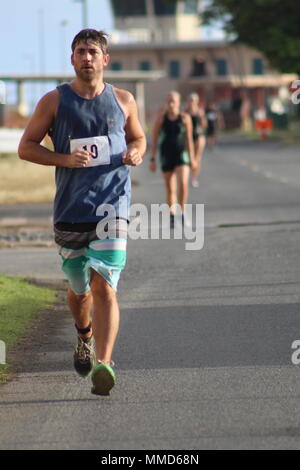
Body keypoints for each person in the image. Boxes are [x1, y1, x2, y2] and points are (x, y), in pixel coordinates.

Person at [18, 29, 146, 396]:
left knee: (104, 285)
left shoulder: (123, 100)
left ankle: (103, 364)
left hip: (112, 207)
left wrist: (137, 151)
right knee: (79, 290)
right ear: (71, 59)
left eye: (93, 51)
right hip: (71, 209)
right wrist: (63, 159)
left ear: (105, 60)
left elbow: (138, 137)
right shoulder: (54, 101)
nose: (87, 57)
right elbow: (26, 147)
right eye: (80, 52)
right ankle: (84, 335)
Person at [149, 91, 195, 227]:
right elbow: (155, 139)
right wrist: (152, 158)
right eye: (169, 101)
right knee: (170, 188)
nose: (171, 103)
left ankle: (183, 212)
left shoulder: (185, 118)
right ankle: (172, 215)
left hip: (181, 154)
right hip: (166, 155)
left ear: (179, 103)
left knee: (183, 184)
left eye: (173, 101)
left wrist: (192, 157)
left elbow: (189, 139)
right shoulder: (161, 119)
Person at [186, 93, 207, 188]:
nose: (192, 102)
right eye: (190, 100)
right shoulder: (185, 112)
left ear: (197, 101)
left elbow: (204, 125)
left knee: (197, 158)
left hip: (198, 136)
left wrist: (201, 117)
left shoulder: (200, 111)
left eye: (194, 100)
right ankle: (186, 175)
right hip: (188, 137)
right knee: (189, 158)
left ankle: (194, 178)